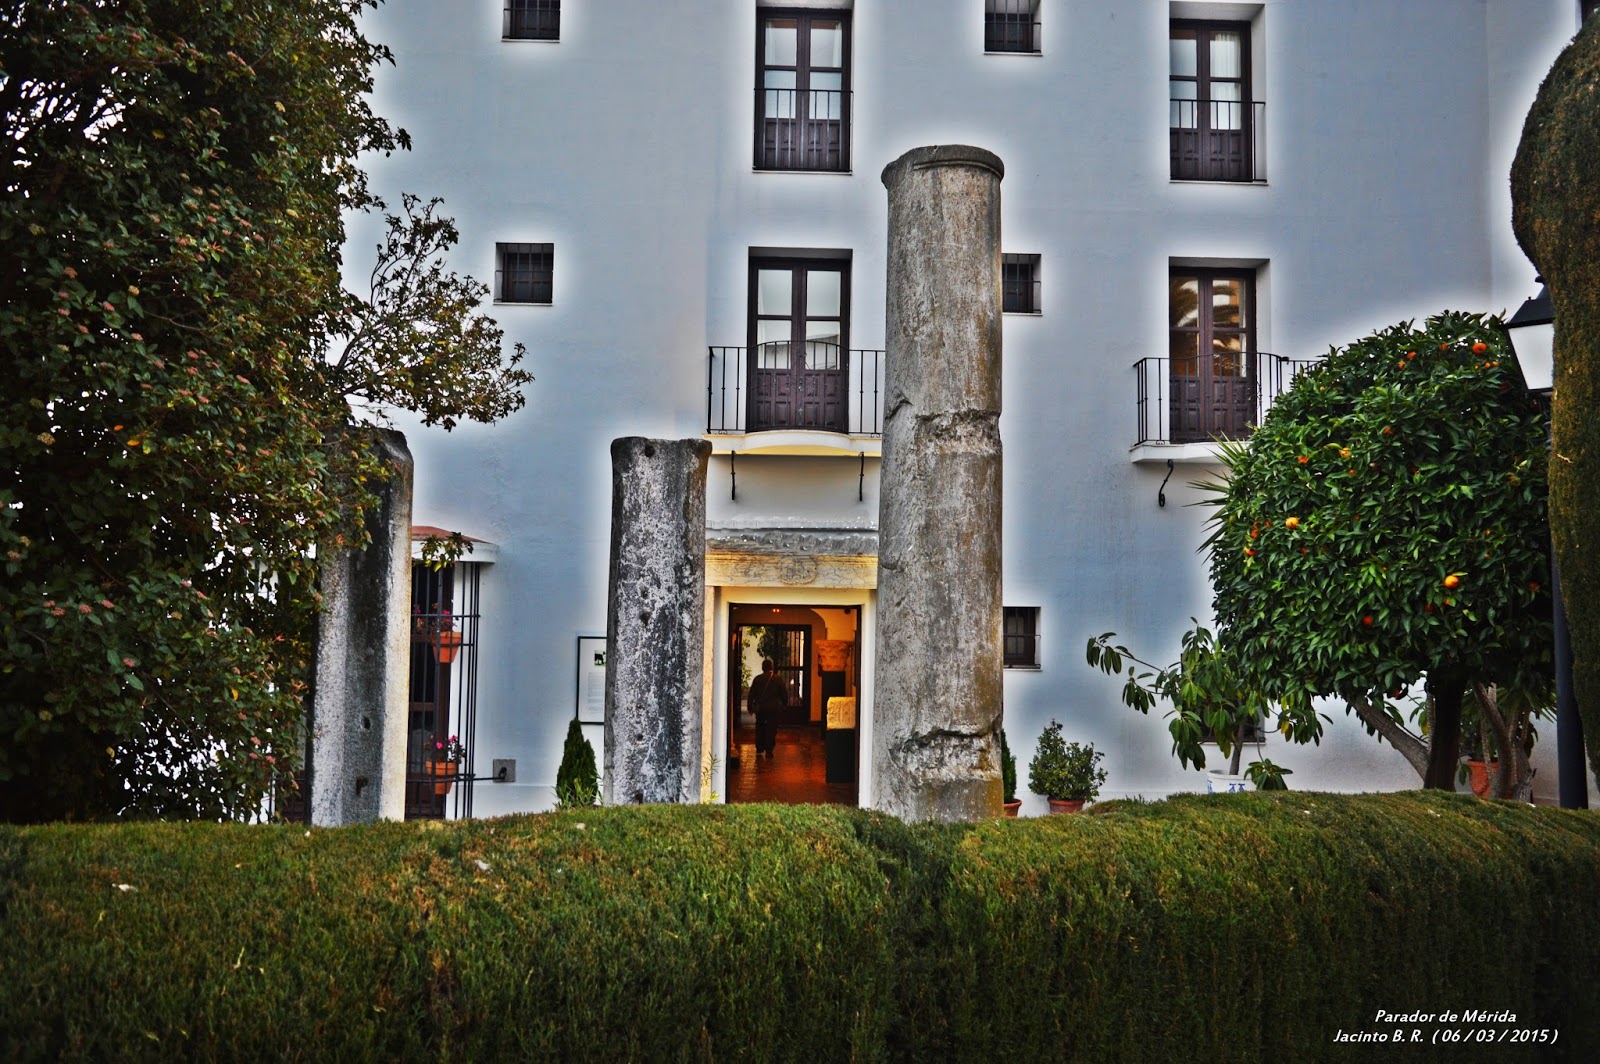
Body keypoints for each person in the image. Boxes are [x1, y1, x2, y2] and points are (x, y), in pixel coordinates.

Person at [747, 658, 787, 758]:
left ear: (762, 668)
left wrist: (750, 706)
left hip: (761, 708)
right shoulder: (778, 679)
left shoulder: (757, 679)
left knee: (760, 727)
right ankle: (769, 749)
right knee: (771, 728)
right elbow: (783, 693)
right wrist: (784, 704)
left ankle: (760, 747)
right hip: (773, 708)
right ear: (771, 667)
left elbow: (752, 694)